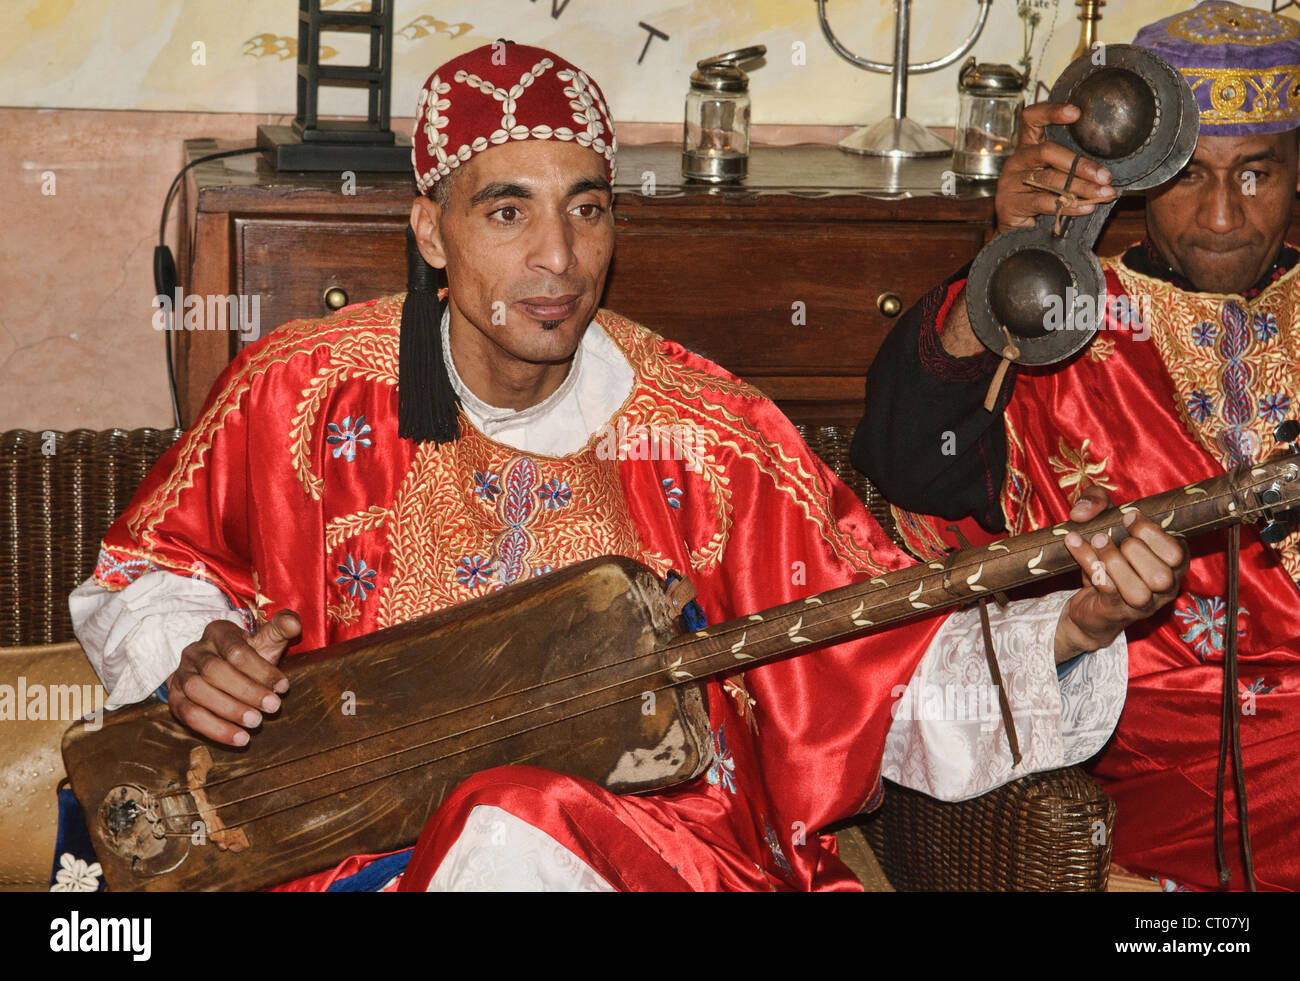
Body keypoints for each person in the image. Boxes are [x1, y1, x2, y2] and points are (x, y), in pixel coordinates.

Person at [69, 42, 1186, 892]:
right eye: (506, 212)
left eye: (586, 210)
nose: (557, 261)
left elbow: (887, 668)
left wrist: (1077, 626)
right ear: (428, 230)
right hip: (339, 853)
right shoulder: (300, 389)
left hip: (648, 853)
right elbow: (142, 574)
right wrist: (194, 655)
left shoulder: (707, 431)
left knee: (510, 820)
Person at [853, 1, 1300, 891]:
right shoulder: (1070, 322)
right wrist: (1014, 256)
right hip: (1166, 744)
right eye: (1188, 180)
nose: (1220, 216)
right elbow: (907, 462)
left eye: (1255, 175)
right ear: (1138, 180)